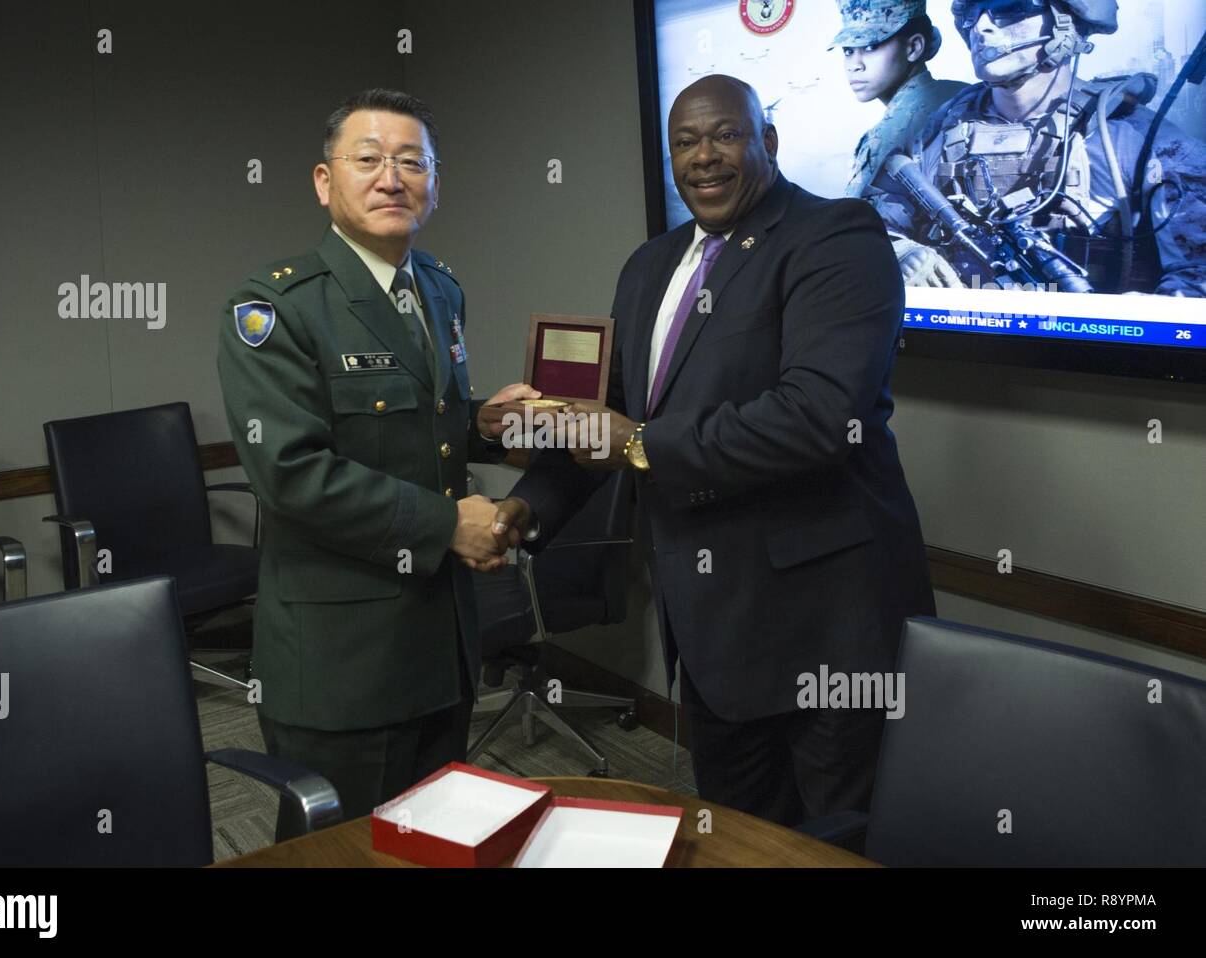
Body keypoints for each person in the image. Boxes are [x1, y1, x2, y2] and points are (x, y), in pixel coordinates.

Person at [489, 75, 935, 827]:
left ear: (768, 141)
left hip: (824, 630)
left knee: (837, 841)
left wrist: (631, 441)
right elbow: (613, 414)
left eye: (726, 134)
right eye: (685, 141)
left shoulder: (838, 237)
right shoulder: (649, 266)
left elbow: (817, 418)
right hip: (708, 632)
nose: (705, 157)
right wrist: (519, 503)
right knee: (738, 831)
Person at [216, 88, 536, 838]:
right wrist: (446, 525)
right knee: (350, 854)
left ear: (434, 182)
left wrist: (486, 422)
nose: (391, 177)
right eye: (368, 159)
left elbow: (422, 420)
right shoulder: (275, 307)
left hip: (442, 640)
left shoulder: (439, 288)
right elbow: (290, 472)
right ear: (326, 182)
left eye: (411, 162)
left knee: (435, 842)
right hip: (343, 659)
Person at [878, 0, 1206, 295]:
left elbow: (1196, 281)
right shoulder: (941, 129)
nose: (981, 27)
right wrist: (902, 253)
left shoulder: (1134, 139)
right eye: (972, 13)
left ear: (1066, 21)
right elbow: (870, 228)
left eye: (1008, 7)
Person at [833, 0, 968, 199]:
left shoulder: (887, 136)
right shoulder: (964, 94)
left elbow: (856, 222)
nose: (855, 65)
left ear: (914, 47)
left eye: (871, 47)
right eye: (848, 51)